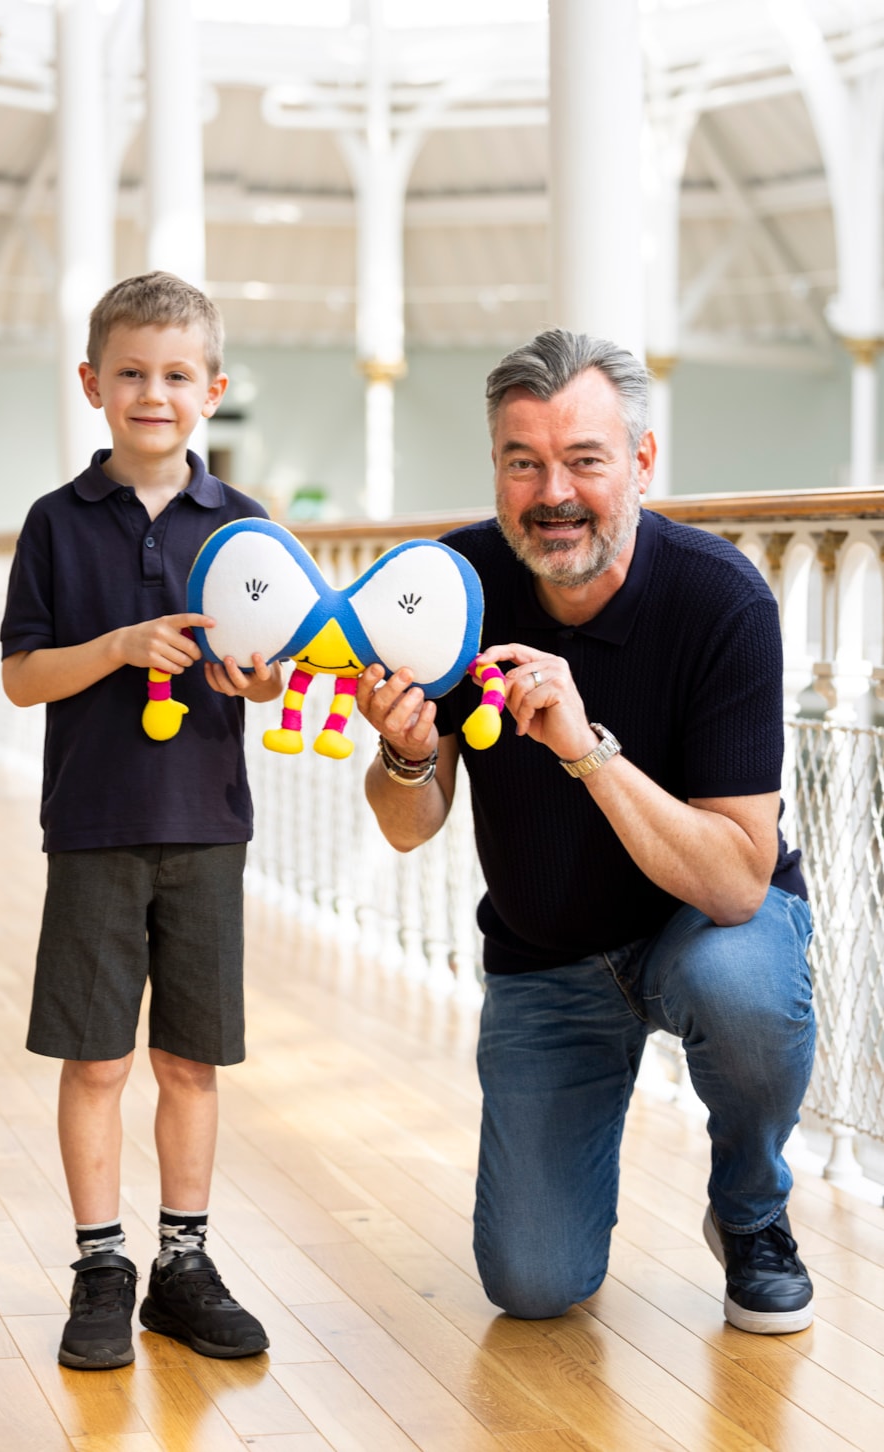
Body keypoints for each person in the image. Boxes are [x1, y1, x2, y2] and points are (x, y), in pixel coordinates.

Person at [356, 329, 816, 1336]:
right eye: (522, 462)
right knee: (532, 1284)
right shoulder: (451, 588)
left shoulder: (721, 601)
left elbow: (737, 884)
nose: (550, 492)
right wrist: (400, 755)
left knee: (736, 982)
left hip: (702, 930)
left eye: (583, 460)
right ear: (494, 469)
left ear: (641, 464)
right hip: (545, 962)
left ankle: (749, 1211)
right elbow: (406, 825)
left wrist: (585, 749)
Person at [0, 271, 283, 1369]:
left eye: (175, 375)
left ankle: (182, 1263)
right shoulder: (54, 525)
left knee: (189, 1062)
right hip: (93, 826)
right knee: (95, 1062)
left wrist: (256, 679)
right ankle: (99, 1264)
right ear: (92, 383)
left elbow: (270, 676)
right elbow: (25, 677)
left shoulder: (246, 526)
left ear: (210, 391)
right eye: (130, 373)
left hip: (208, 826)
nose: (151, 393)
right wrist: (116, 648)